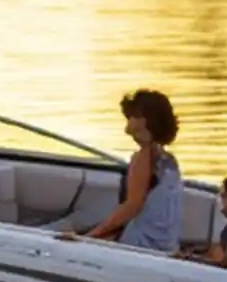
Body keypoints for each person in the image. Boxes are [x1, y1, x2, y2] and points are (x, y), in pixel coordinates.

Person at [66, 89, 183, 252]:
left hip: (142, 245)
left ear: (145, 120)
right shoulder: (169, 160)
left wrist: (89, 237)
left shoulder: (143, 158)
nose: (128, 125)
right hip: (166, 245)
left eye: (132, 117)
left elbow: (132, 206)